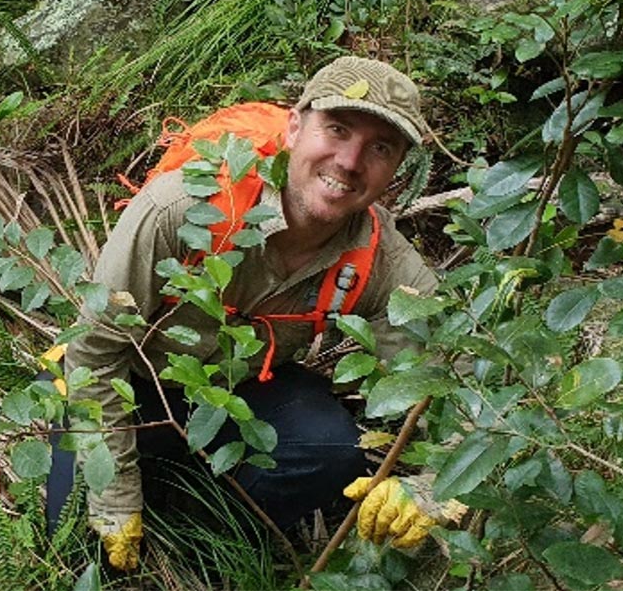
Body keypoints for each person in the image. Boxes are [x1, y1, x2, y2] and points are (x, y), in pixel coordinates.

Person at [64, 56, 448, 571]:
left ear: (396, 169)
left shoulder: (382, 259)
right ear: (294, 126)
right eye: (336, 130)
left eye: (380, 148)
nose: (351, 162)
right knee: (77, 545)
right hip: (130, 387)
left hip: (239, 392)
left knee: (333, 450)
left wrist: (434, 485)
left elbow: (454, 373)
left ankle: (203, 548)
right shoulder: (181, 207)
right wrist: (115, 497)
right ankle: (140, 494)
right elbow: (95, 351)